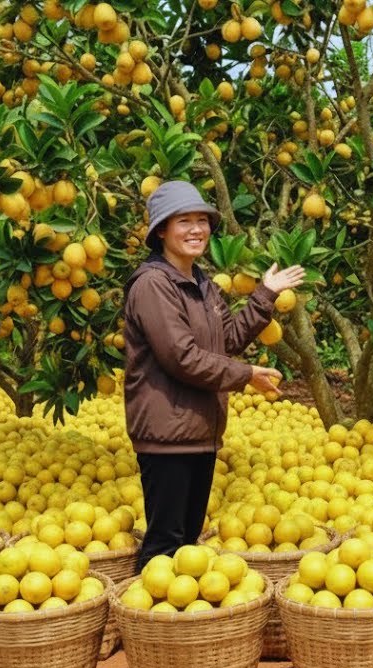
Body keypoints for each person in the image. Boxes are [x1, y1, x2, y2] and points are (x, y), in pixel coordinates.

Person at [123, 180, 305, 569]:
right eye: (183, 221)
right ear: (161, 232)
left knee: (186, 546)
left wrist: (265, 294)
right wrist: (246, 375)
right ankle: (145, 625)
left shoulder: (201, 283)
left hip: (199, 433)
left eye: (202, 221)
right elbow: (181, 357)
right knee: (164, 547)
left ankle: (180, 627)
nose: (196, 229)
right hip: (166, 434)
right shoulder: (153, 284)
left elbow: (227, 341)